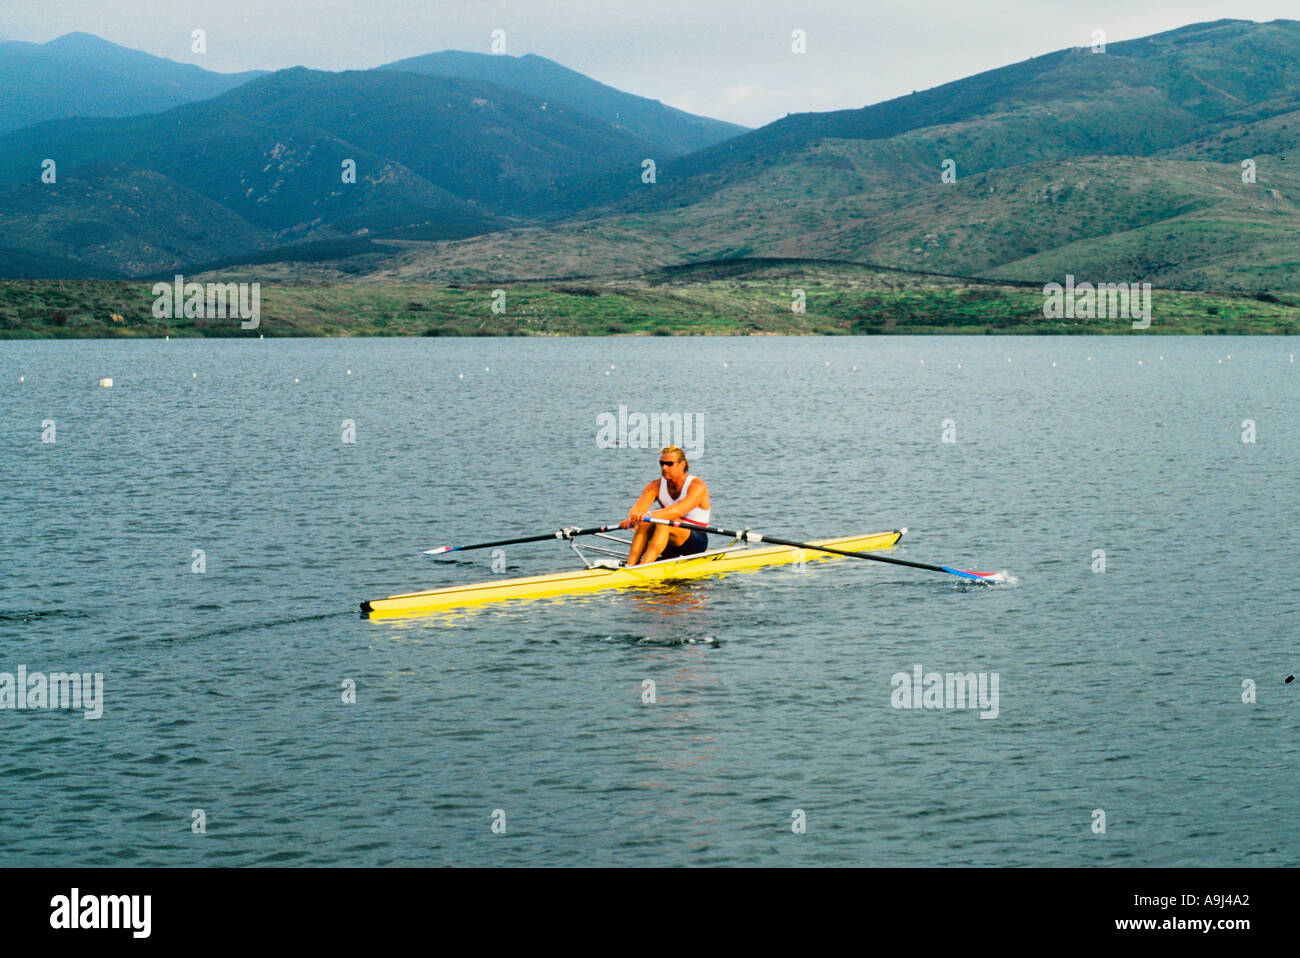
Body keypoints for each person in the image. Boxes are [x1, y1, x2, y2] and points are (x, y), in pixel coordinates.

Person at [620, 447, 711, 566]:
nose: (664, 467)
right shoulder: (654, 486)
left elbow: (678, 511)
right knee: (644, 523)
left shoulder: (697, 486)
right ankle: (630, 565)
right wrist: (633, 517)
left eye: (669, 464)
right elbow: (638, 509)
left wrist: (647, 515)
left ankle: (644, 566)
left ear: (682, 465)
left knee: (663, 521)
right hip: (667, 542)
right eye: (662, 463)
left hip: (695, 542)